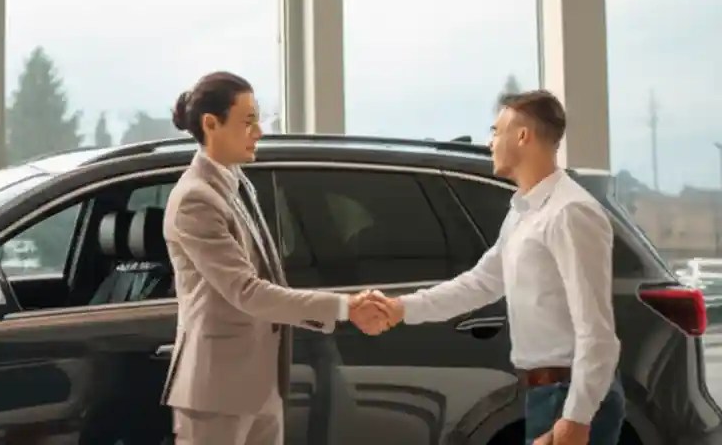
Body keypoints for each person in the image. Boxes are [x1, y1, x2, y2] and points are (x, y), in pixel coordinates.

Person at [360, 90, 624, 445]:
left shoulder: (570, 212)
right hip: (546, 394)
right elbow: (480, 283)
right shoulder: (523, 212)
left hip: (570, 396)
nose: (490, 143)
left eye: (496, 131)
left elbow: (598, 331)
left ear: (523, 135)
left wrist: (576, 418)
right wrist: (401, 308)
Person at [160, 71, 387, 445]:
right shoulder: (195, 200)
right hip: (218, 390)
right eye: (247, 122)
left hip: (259, 385)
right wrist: (345, 307)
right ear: (211, 124)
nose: (259, 132)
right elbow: (248, 292)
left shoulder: (235, 182)